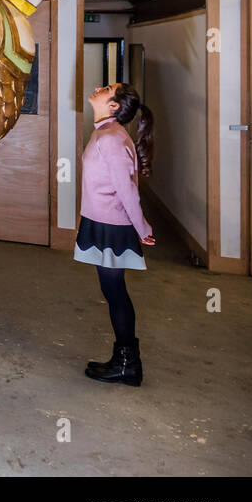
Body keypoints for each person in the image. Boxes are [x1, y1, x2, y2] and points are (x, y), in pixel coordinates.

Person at [75, 82, 155, 386]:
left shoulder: (110, 138)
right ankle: (125, 362)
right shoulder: (106, 132)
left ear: (113, 106)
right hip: (103, 222)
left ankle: (127, 365)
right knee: (113, 293)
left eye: (107, 88)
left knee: (116, 294)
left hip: (112, 226)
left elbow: (127, 190)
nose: (97, 87)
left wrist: (142, 228)